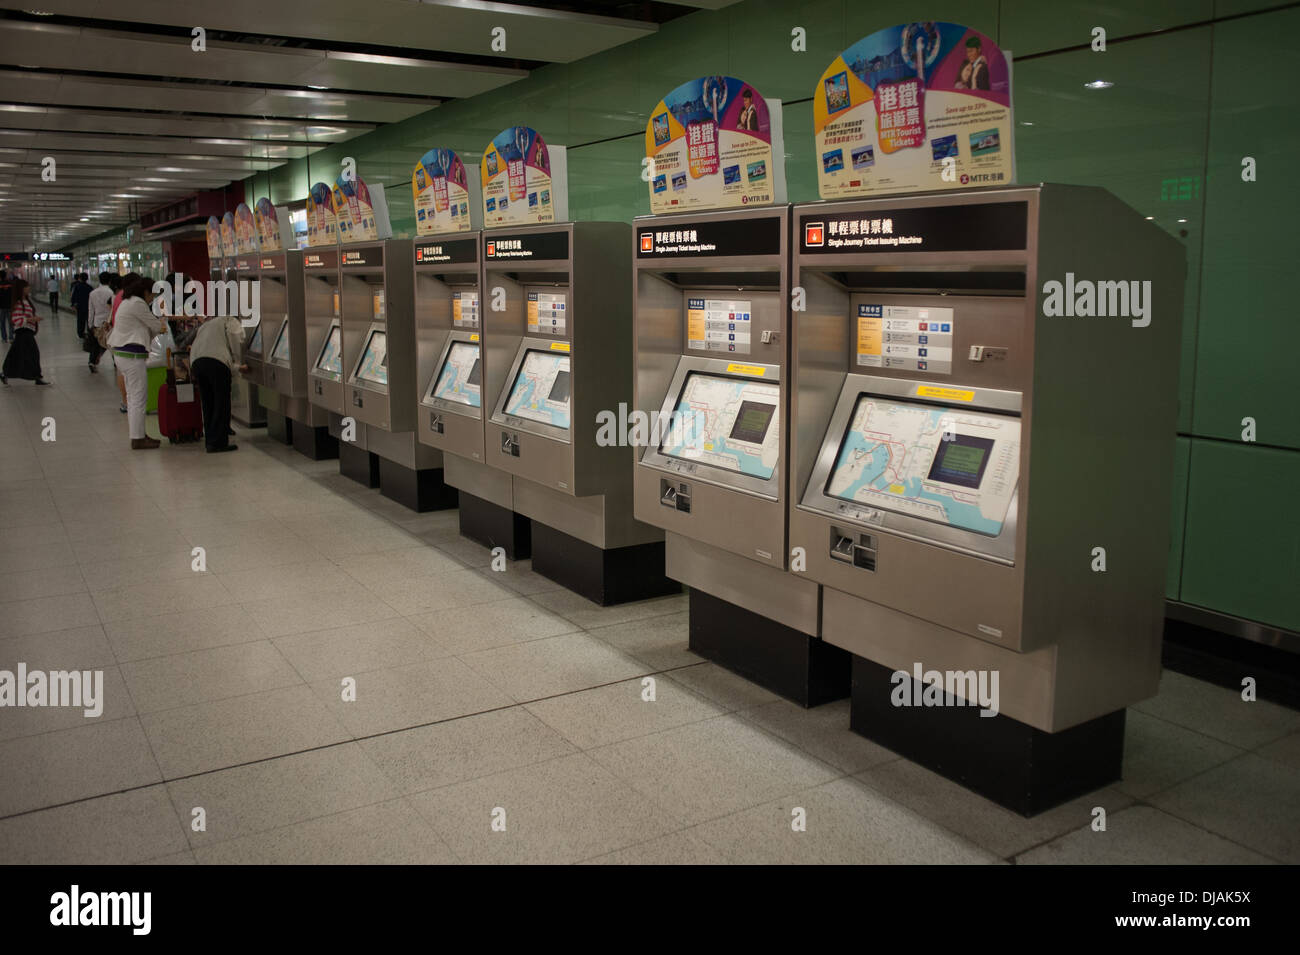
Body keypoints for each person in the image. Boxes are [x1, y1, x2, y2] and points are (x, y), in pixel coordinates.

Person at [106, 273, 166, 450]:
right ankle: (139, 438)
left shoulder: (127, 301)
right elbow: (156, 326)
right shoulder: (138, 303)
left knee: (134, 398)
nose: (151, 300)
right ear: (146, 291)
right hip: (132, 355)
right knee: (139, 397)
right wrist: (160, 324)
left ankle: (137, 435)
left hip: (123, 354)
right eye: (152, 296)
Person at [188, 312, 247, 453]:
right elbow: (236, 341)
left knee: (208, 402)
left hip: (197, 362)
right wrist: (239, 364)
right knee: (221, 402)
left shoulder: (208, 324)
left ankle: (210, 441)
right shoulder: (231, 320)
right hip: (216, 363)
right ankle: (219, 442)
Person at [1, 279, 50, 386]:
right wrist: (30, 320)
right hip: (23, 332)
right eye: (26, 286)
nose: (29, 288)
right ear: (21, 289)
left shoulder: (26, 301)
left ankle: (5, 373)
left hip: (27, 331)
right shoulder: (18, 303)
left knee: (15, 354)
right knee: (33, 354)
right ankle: (37, 377)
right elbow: (15, 319)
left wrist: (32, 319)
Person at [86, 271, 115, 373]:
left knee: (96, 344)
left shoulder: (93, 293)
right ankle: (116, 362)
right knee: (112, 343)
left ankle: (92, 361)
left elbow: (91, 310)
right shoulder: (111, 293)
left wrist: (90, 324)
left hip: (97, 322)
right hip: (109, 322)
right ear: (110, 281)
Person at [70, 272, 91, 340]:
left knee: (80, 320)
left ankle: (80, 333)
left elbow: (73, 296)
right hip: (88, 306)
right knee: (88, 320)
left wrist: (73, 304)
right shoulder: (89, 287)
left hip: (79, 306)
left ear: (80, 278)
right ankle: (89, 332)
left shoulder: (77, 286)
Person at [0, 270, 11, 343]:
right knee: (11, 323)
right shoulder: (10, 284)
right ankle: (11, 337)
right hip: (10, 305)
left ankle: (4, 337)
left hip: (1, 306)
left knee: (2, 322)